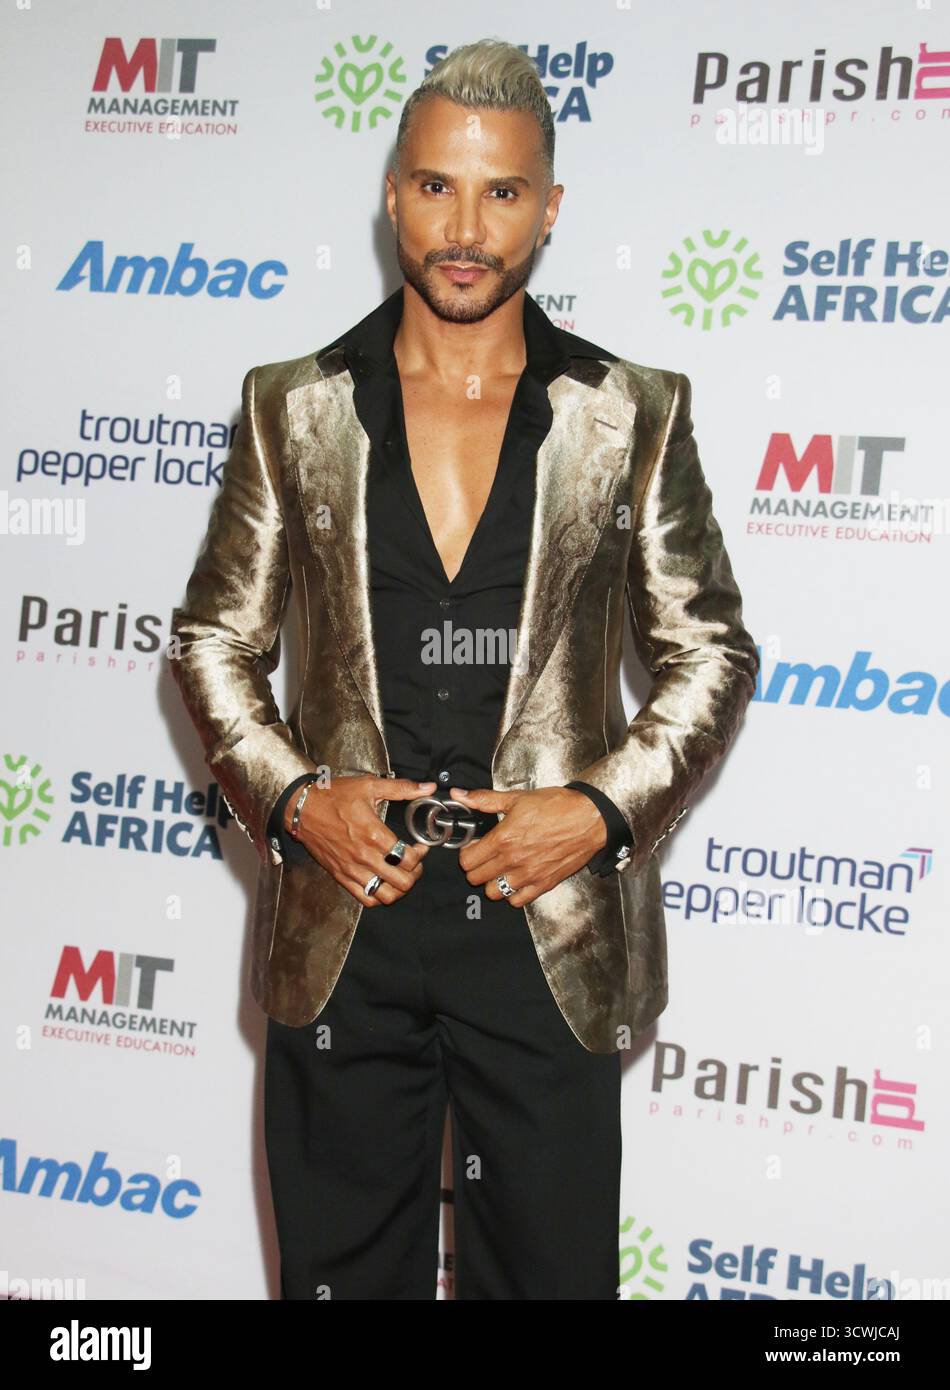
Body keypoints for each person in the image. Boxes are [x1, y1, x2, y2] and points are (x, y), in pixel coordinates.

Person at [168, 37, 759, 1300]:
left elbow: (708, 648)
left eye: (501, 193)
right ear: (393, 195)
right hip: (348, 922)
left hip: (540, 930)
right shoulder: (292, 406)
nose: (465, 228)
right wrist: (296, 802)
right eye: (437, 185)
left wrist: (594, 813)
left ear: (548, 209)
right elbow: (213, 640)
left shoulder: (629, 412)